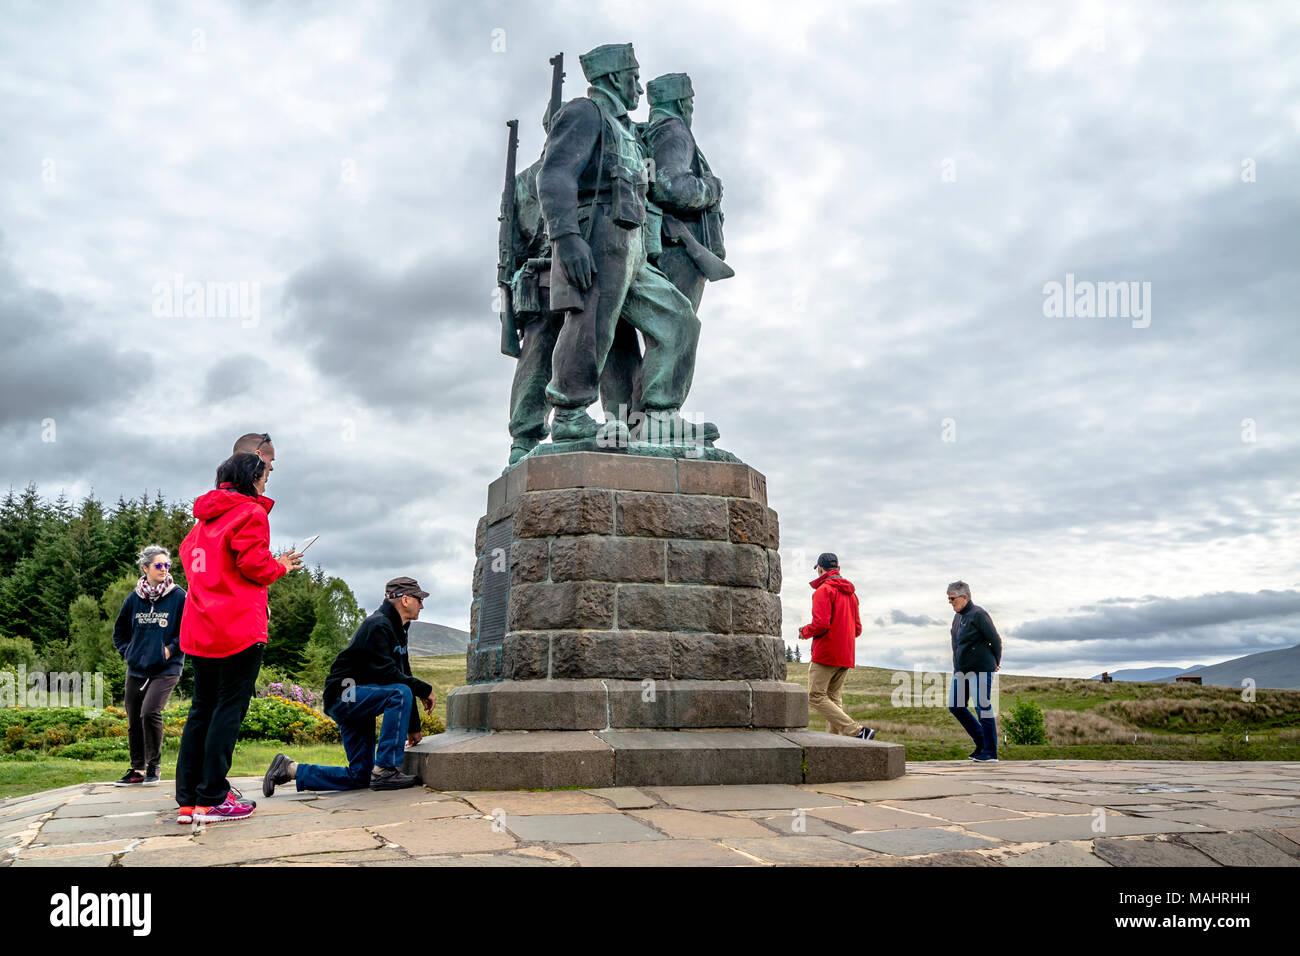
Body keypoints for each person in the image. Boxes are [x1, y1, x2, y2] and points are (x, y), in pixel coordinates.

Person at [537, 42, 712, 446]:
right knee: (592, 322)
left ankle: (658, 415)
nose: (639, 87)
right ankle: (568, 414)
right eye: (633, 77)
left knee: (678, 320)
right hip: (597, 230)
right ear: (614, 78)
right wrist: (565, 238)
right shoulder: (585, 113)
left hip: (631, 243)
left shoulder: (625, 129)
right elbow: (556, 175)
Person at [174, 452, 302, 823]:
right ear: (251, 478)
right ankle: (213, 797)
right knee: (228, 709)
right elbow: (254, 566)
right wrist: (282, 565)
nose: (266, 482)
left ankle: (189, 798)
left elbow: (202, 559)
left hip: (201, 626)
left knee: (202, 710)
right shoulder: (251, 513)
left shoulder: (202, 522)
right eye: (264, 477)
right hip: (237, 629)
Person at [263, 577, 437, 795]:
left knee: (361, 776)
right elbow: (387, 674)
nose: (422, 605)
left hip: (359, 699)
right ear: (404, 600)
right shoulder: (378, 625)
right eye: (419, 599)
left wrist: (413, 726)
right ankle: (385, 770)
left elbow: (403, 672)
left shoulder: (399, 627)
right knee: (399, 692)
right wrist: (424, 689)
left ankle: (289, 769)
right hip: (345, 694)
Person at [111, 545, 186, 786]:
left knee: (150, 711)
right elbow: (119, 631)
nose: (164, 569)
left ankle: (154, 767)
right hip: (137, 668)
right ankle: (137, 769)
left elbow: (187, 631)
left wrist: (169, 650)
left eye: (167, 565)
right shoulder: (134, 598)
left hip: (167, 667)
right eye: (158, 565)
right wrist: (129, 652)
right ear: (145, 568)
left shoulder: (179, 596)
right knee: (134, 719)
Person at [798, 552, 874, 740]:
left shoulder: (823, 591)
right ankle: (835, 742)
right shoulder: (852, 595)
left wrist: (804, 632)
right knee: (833, 698)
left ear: (820, 568)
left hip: (826, 653)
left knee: (815, 696)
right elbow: (857, 629)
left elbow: (821, 623)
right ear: (837, 568)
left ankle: (857, 731)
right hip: (846, 655)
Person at [946, 581, 1003, 761]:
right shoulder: (957, 617)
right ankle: (981, 742)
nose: (950, 602)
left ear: (965, 597)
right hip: (961, 670)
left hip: (981, 669)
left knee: (982, 707)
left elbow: (995, 640)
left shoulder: (978, 614)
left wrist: (995, 662)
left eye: (952, 598)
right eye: (948, 599)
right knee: (956, 706)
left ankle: (990, 751)